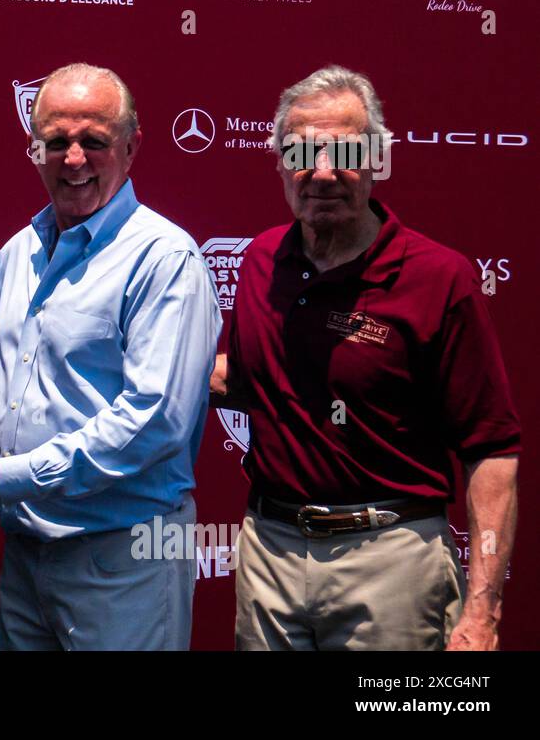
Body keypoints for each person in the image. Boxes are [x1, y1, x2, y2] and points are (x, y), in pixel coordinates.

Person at [211, 65, 521, 651]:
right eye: (302, 152)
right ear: (279, 160)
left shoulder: (439, 277)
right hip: (269, 554)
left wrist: (484, 610)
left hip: (392, 562)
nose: (322, 173)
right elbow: (253, 381)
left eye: (345, 151)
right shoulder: (259, 261)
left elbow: (491, 449)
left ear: (377, 159)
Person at [0, 63, 222, 650]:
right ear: (32, 148)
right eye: (56, 142)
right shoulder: (18, 253)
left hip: (122, 562)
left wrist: (11, 476)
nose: (74, 159)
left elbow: (153, 420)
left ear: (132, 147)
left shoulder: (165, 259)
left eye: (94, 141)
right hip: (26, 560)